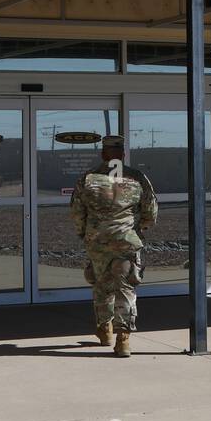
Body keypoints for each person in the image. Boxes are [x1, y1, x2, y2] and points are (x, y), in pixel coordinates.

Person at [69, 135, 157, 357]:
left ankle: (104, 330)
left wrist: (85, 234)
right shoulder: (137, 178)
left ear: (103, 154)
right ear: (123, 154)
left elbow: (77, 213)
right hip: (126, 241)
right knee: (125, 287)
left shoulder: (88, 179)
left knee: (102, 286)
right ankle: (123, 340)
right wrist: (138, 229)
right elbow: (150, 212)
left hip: (97, 242)